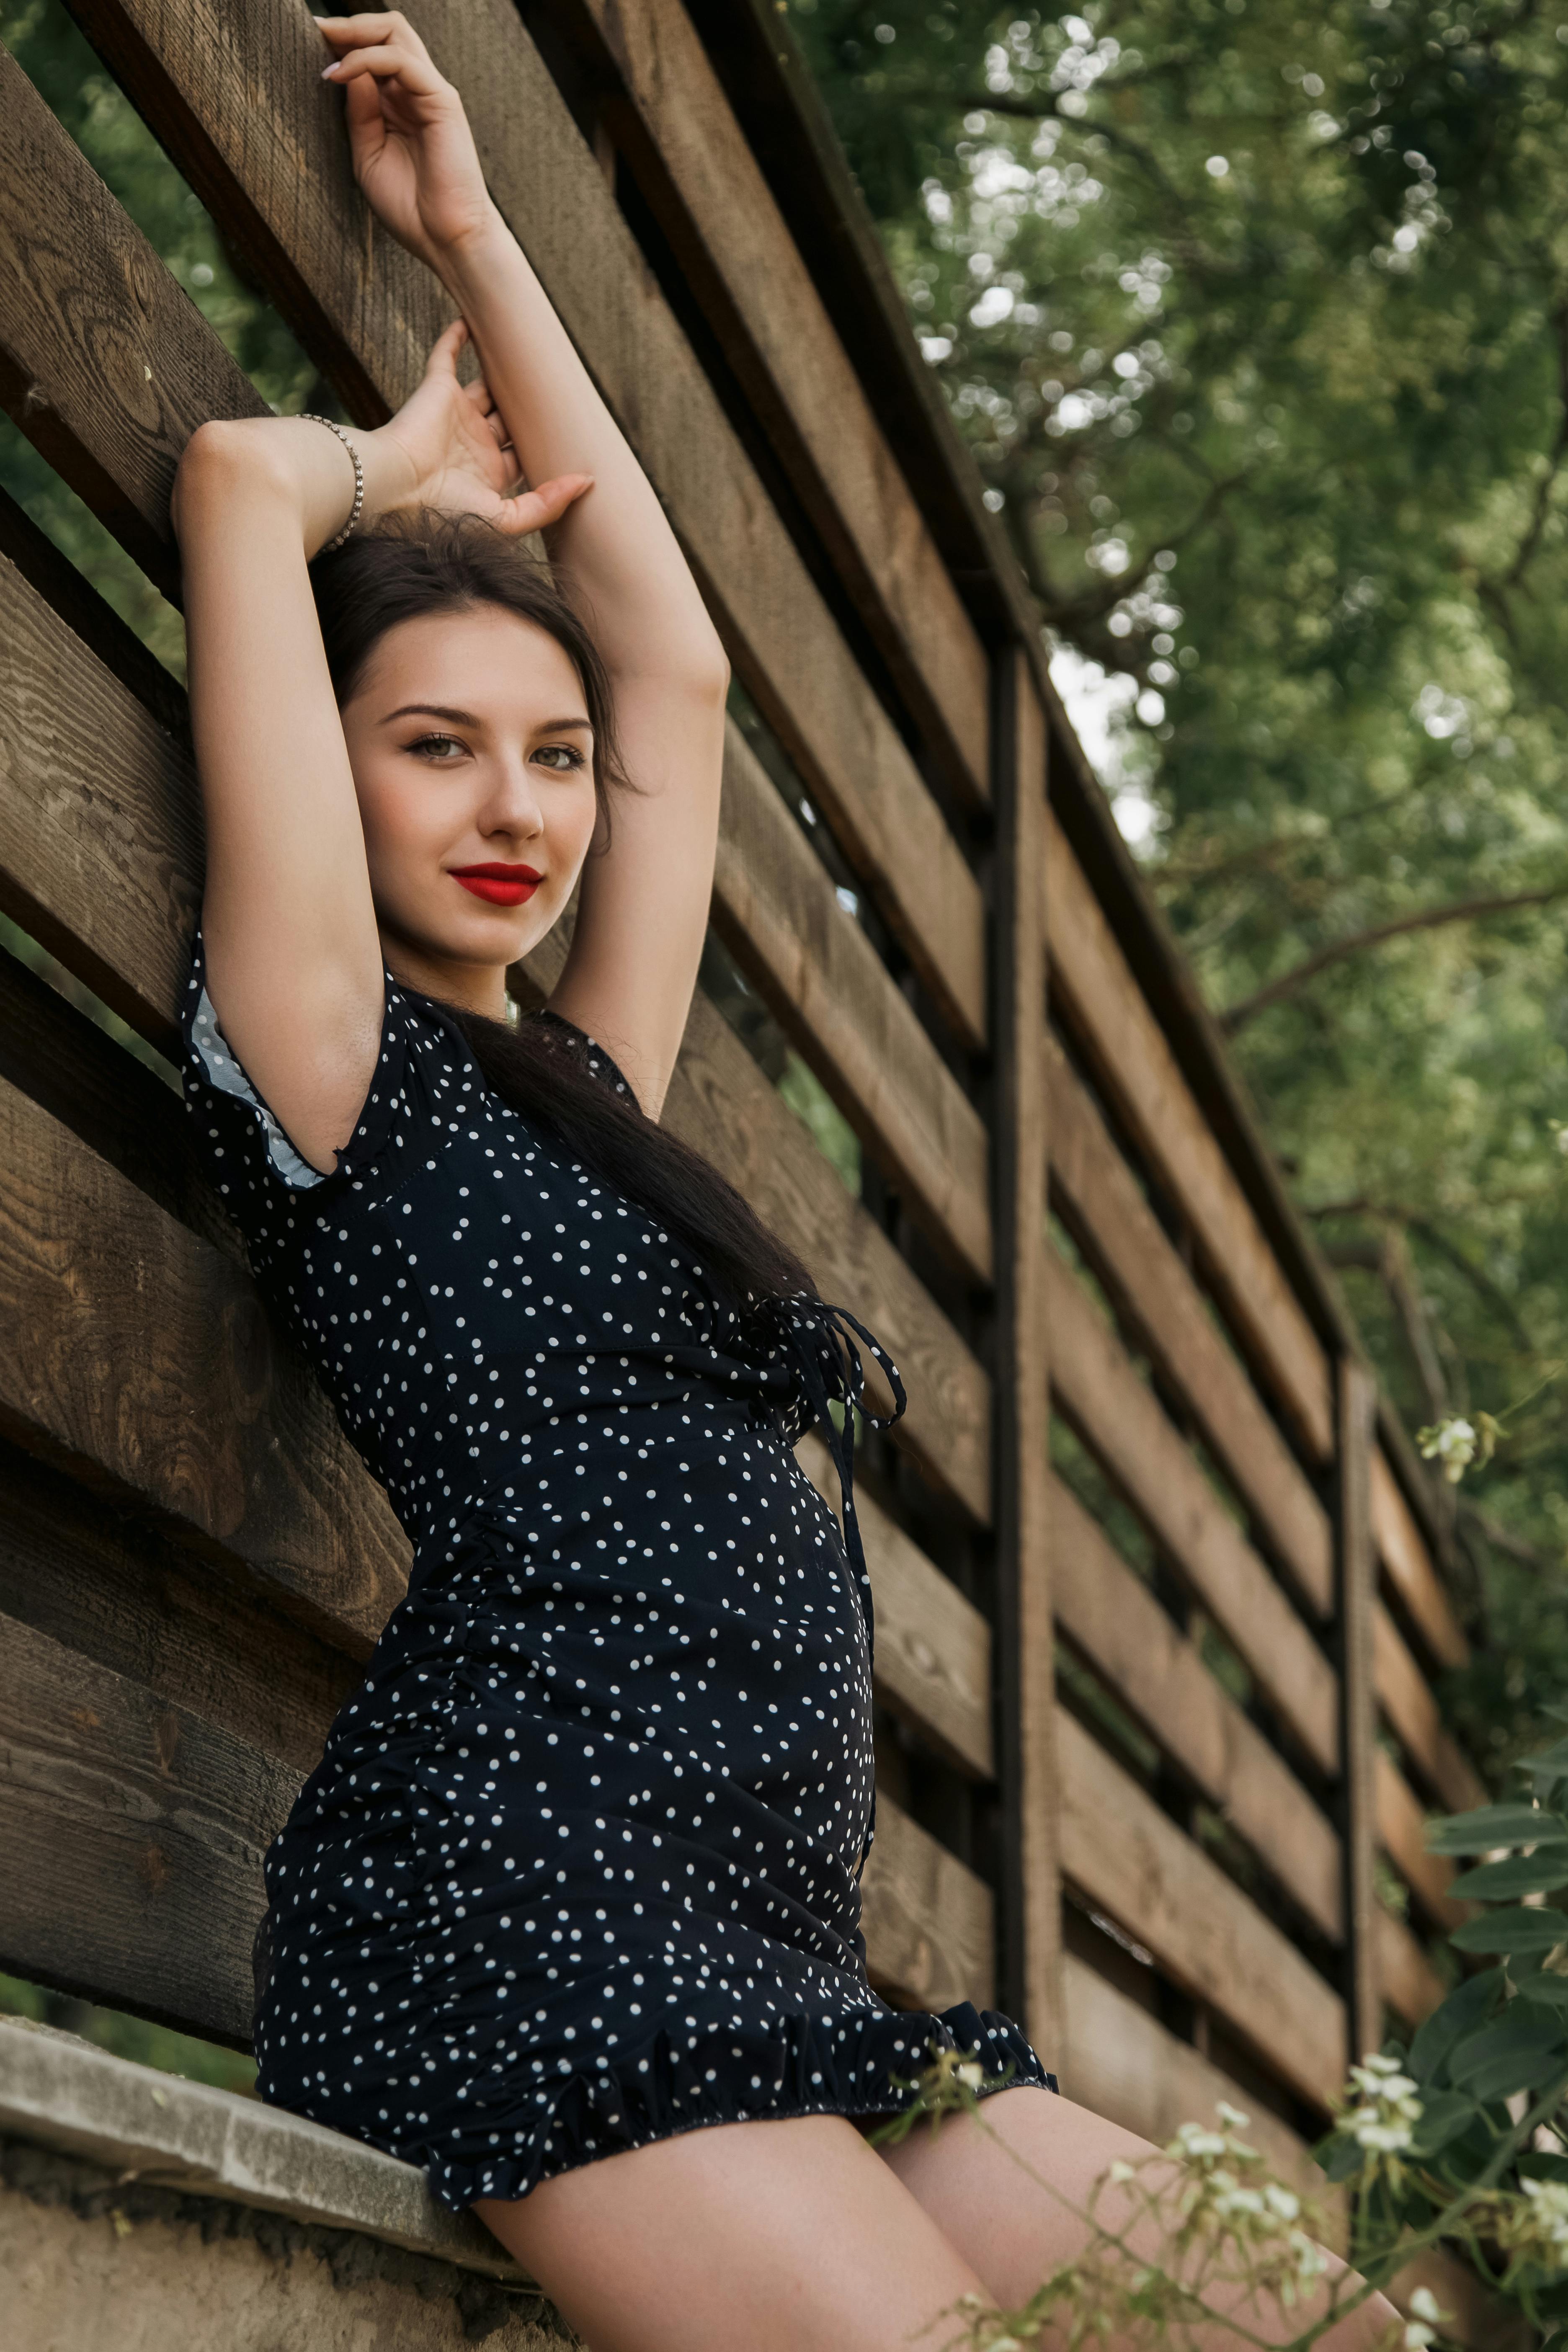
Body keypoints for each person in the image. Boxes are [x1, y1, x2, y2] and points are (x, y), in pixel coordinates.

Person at [170, 17, 1400, 2350]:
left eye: (549, 760)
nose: (520, 808)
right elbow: (238, 483)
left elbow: (681, 675)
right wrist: (391, 467)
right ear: (322, 776)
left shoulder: (582, 1086)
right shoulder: (333, 1057)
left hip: (762, 1952)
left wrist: (475, 233)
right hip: (525, 1917)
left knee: (1310, 2321)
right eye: (434, 748)